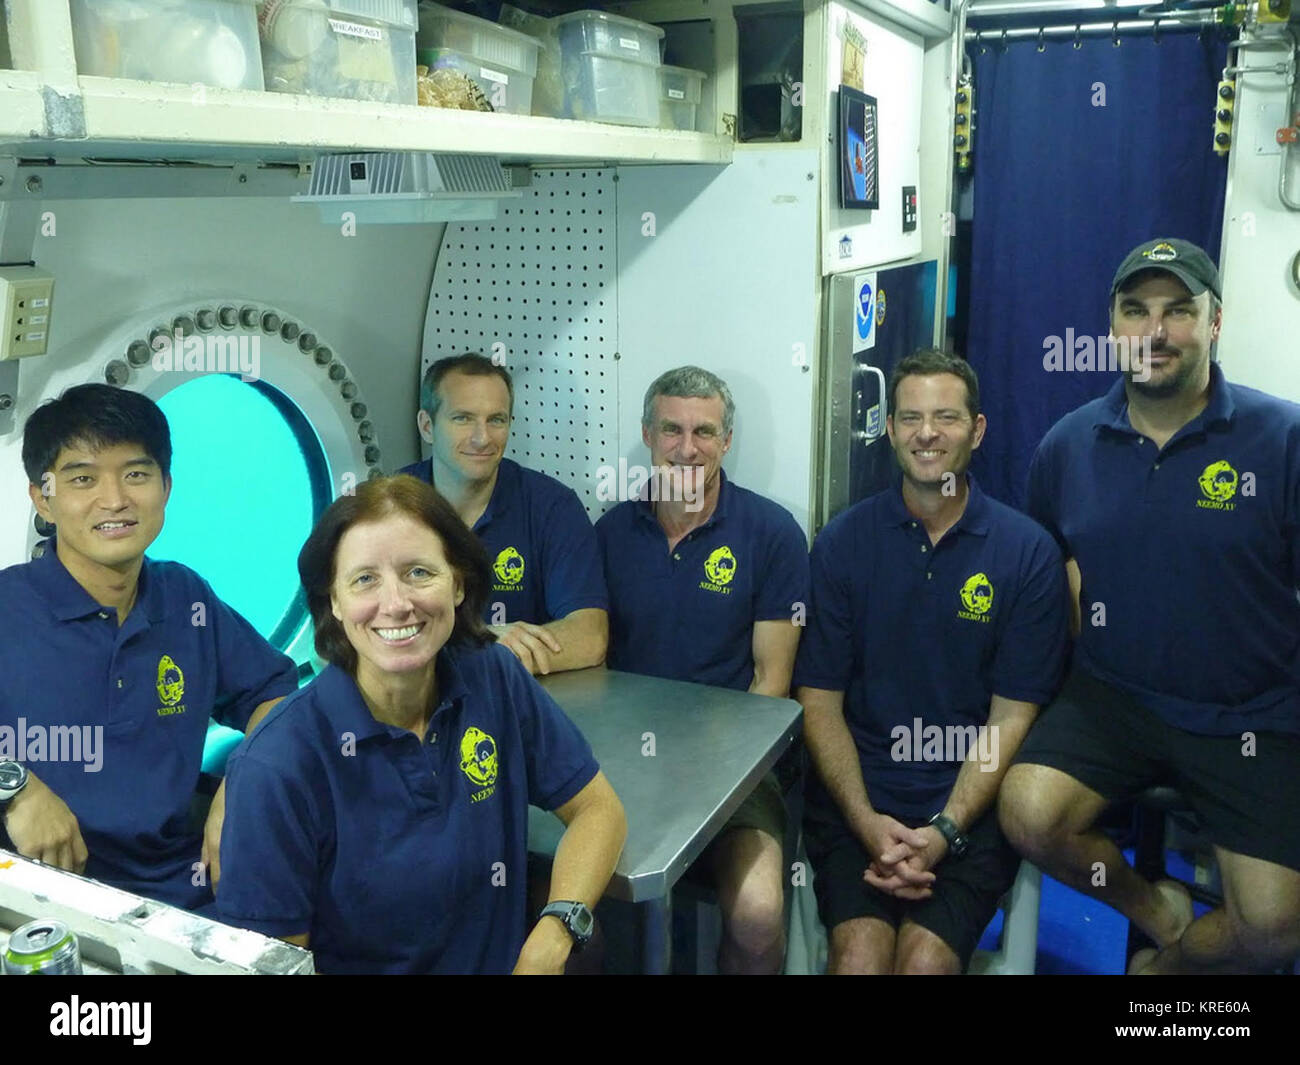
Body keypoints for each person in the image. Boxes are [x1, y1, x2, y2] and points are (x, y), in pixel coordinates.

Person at [1000, 237, 1300, 974]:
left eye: (1178, 311)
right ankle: (1153, 905)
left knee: (1273, 927)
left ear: (1215, 322)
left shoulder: (1282, 438)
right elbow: (1049, 573)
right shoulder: (1068, 445)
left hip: (1250, 712)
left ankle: (1160, 975)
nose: (1155, 332)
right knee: (1027, 813)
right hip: (1115, 700)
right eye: (1136, 310)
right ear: (1112, 325)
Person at [216, 475, 626, 974]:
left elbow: (598, 810)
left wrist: (555, 933)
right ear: (335, 602)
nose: (396, 604)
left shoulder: (493, 676)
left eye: (418, 572)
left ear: (457, 583)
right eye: (365, 579)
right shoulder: (277, 765)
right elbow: (274, 965)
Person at [794, 350, 1068, 974]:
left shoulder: (1027, 555)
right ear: (889, 429)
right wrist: (867, 824)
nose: (926, 433)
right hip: (856, 801)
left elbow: (1010, 718)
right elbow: (819, 702)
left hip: (972, 804)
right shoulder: (842, 543)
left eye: (946, 417)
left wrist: (945, 830)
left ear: (977, 430)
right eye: (910, 417)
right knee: (860, 960)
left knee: (923, 966)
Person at [0, 384, 296, 911]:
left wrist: (244, 781)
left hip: (184, 896)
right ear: (43, 498)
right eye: (83, 478)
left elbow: (275, 691)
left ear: (166, 486)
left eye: (136, 474)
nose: (114, 500)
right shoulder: (8, 605)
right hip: (38, 900)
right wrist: (17, 788)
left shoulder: (185, 598)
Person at [595, 366, 809, 974]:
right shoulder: (610, 532)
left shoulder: (772, 534)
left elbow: (771, 683)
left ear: (727, 441)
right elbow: (594, 654)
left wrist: (706, 782)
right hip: (621, 762)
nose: (687, 448)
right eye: (671, 429)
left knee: (759, 913)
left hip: (735, 775)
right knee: (552, 895)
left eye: (704, 432)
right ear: (647, 433)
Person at [397, 354, 607, 676]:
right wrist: (479, 644)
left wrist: (497, 654)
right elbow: (341, 634)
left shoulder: (552, 506)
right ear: (427, 426)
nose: (482, 438)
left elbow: (589, 637)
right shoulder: (385, 508)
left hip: (514, 701)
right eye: (463, 418)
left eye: (496, 420)